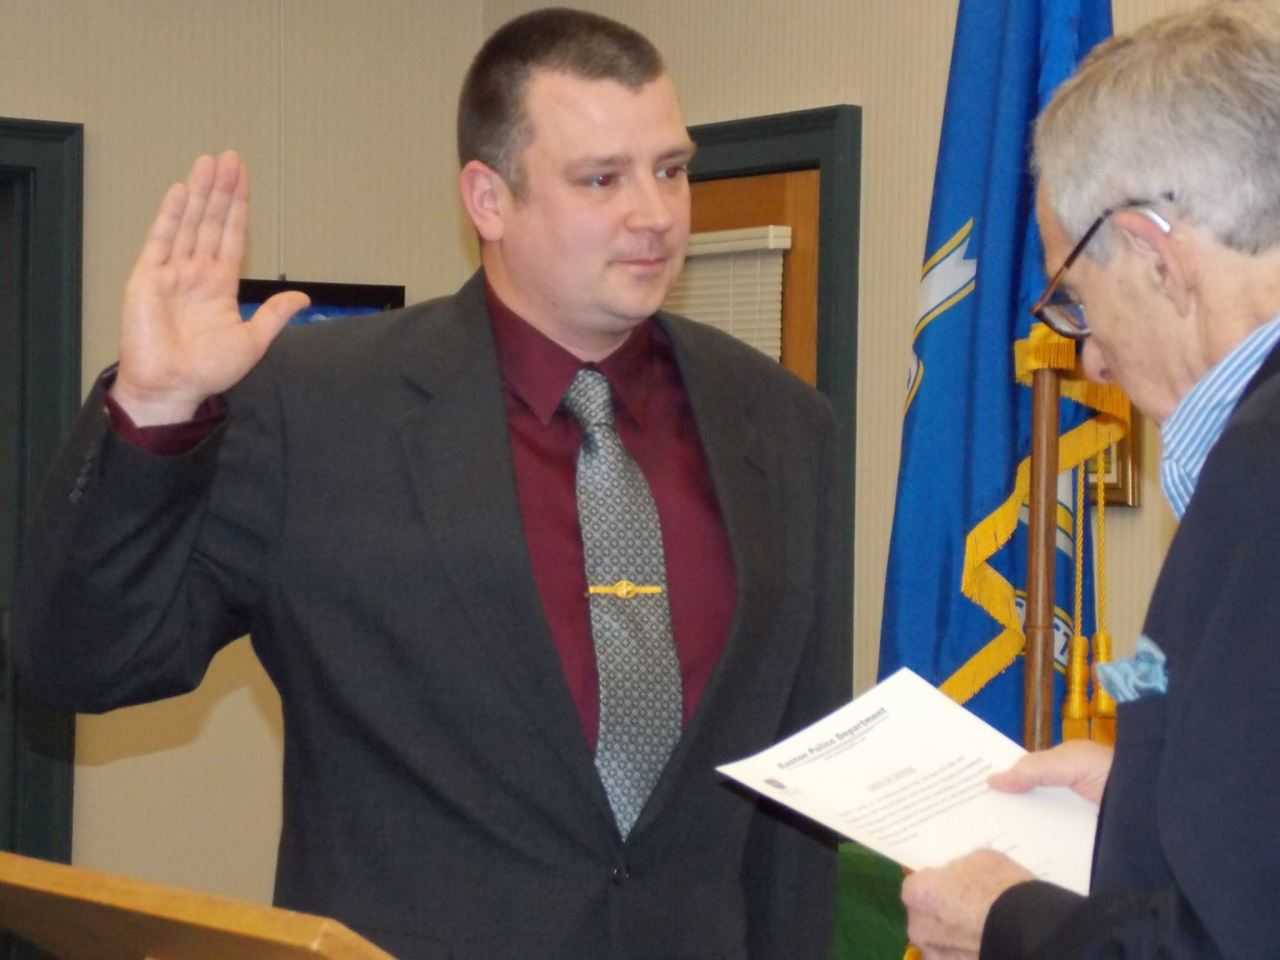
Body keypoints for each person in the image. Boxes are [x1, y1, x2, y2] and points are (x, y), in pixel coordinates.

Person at [14, 8, 847, 958]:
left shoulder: (783, 426)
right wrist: (156, 411)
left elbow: (794, 801)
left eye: (671, 168)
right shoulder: (318, 411)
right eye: (601, 179)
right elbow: (80, 662)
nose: (655, 214)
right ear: (488, 200)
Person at [899, 2, 1280, 957]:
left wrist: (1008, 923)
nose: (1090, 360)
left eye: (1073, 300)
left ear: (1155, 256)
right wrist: (1148, 796)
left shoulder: (1260, 481)